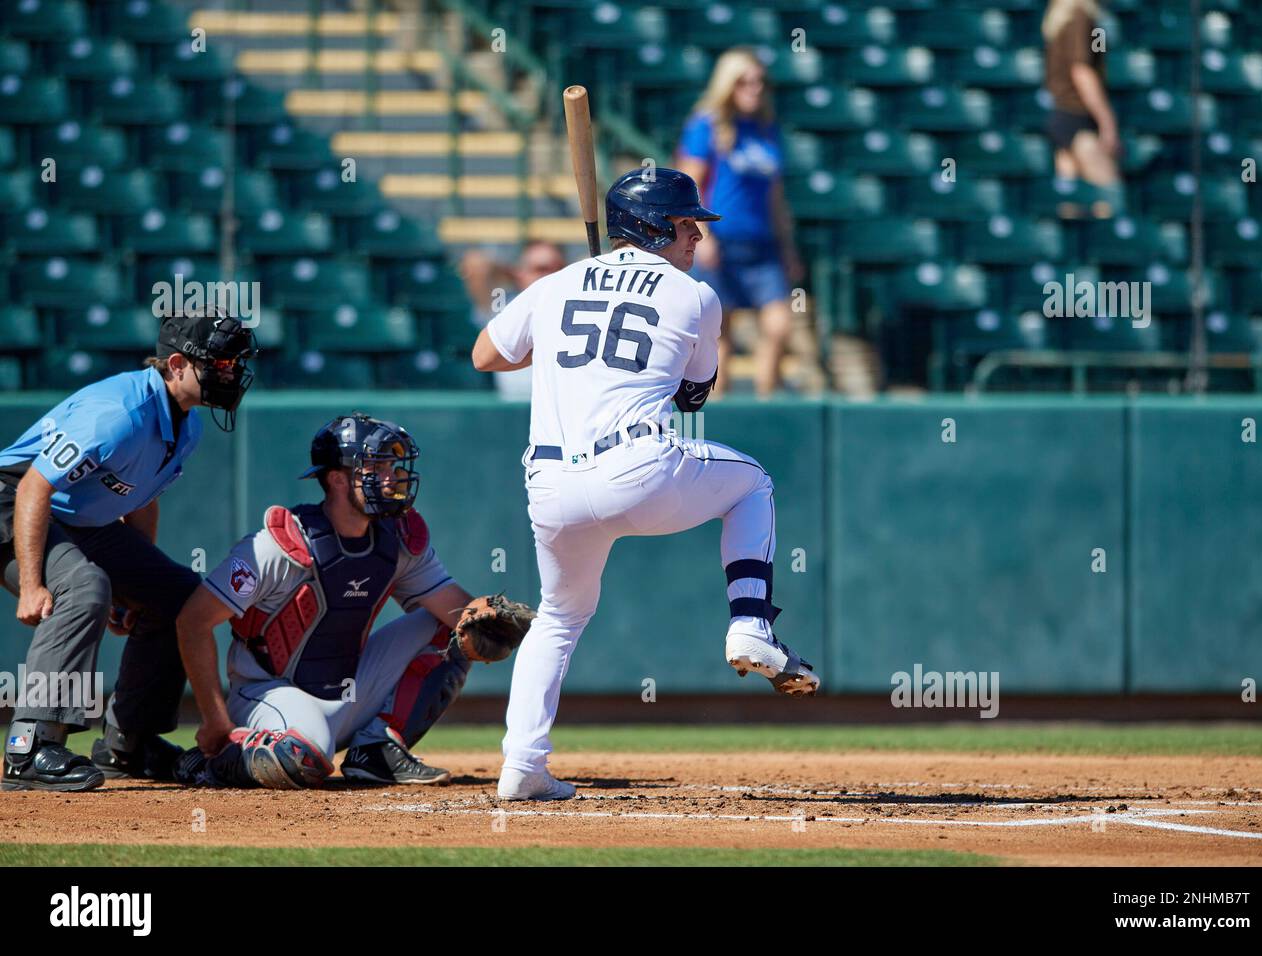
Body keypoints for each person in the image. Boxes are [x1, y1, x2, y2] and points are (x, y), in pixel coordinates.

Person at [471, 168, 820, 802]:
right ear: (654, 226)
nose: (697, 237)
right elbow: (693, 395)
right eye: (687, 224)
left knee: (558, 615)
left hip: (549, 484)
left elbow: (485, 356)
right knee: (752, 485)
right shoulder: (695, 295)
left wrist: (559, 314)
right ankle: (749, 625)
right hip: (637, 470)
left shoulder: (554, 285)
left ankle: (521, 765)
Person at [171, 413, 529, 789]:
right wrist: (214, 718)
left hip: (351, 689)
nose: (391, 476)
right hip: (269, 691)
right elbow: (194, 621)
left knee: (456, 628)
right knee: (302, 757)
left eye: (393, 465)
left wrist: (503, 619)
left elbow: (458, 611)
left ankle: (375, 749)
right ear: (337, 478)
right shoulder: (279, 544)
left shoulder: (400, 540)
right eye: (376, 466)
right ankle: (210, 761)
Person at [0, 308, 257, 791]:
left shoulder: (188, 425)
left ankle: (128, 743)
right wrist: (32, 585)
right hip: (12, 500)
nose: (231, 372)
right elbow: (35, 487)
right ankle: (29, 747)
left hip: (78, 518)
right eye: (219, 362)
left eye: (233, 363)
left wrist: (132, 590)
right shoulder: (119, 413)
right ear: (177, 364)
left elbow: (141, 501)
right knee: (83, 587)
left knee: (182, 597)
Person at [676, 47, 803, 397]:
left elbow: (776, 198)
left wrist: (788, 247)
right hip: (722, 240)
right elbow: (691, 185)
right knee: (720, 336)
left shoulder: (766, 130)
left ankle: (766, 401)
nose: (754, 89)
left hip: (761, 244)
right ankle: (719, 408)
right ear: (728, 85)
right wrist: (703, 236)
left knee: (779, 325)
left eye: (760, 82)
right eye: (744, 82)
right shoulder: (707, 126)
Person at [1043, 0, 1122, 217]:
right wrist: (1107, 120)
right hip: (1078, 116)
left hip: (1062, 117)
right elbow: (1082, 71)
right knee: (1109, 197)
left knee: (1072, 206)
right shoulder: (1081, 17)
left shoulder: (1062, 18)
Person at [460, 240, 567, 400]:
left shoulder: (576, 306)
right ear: (520, 272)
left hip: (560, 408)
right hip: (512, 407)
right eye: (540, 269)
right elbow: (476, 264)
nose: (549, 276)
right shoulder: (503, 303)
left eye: (557, 268)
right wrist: (511, 273)